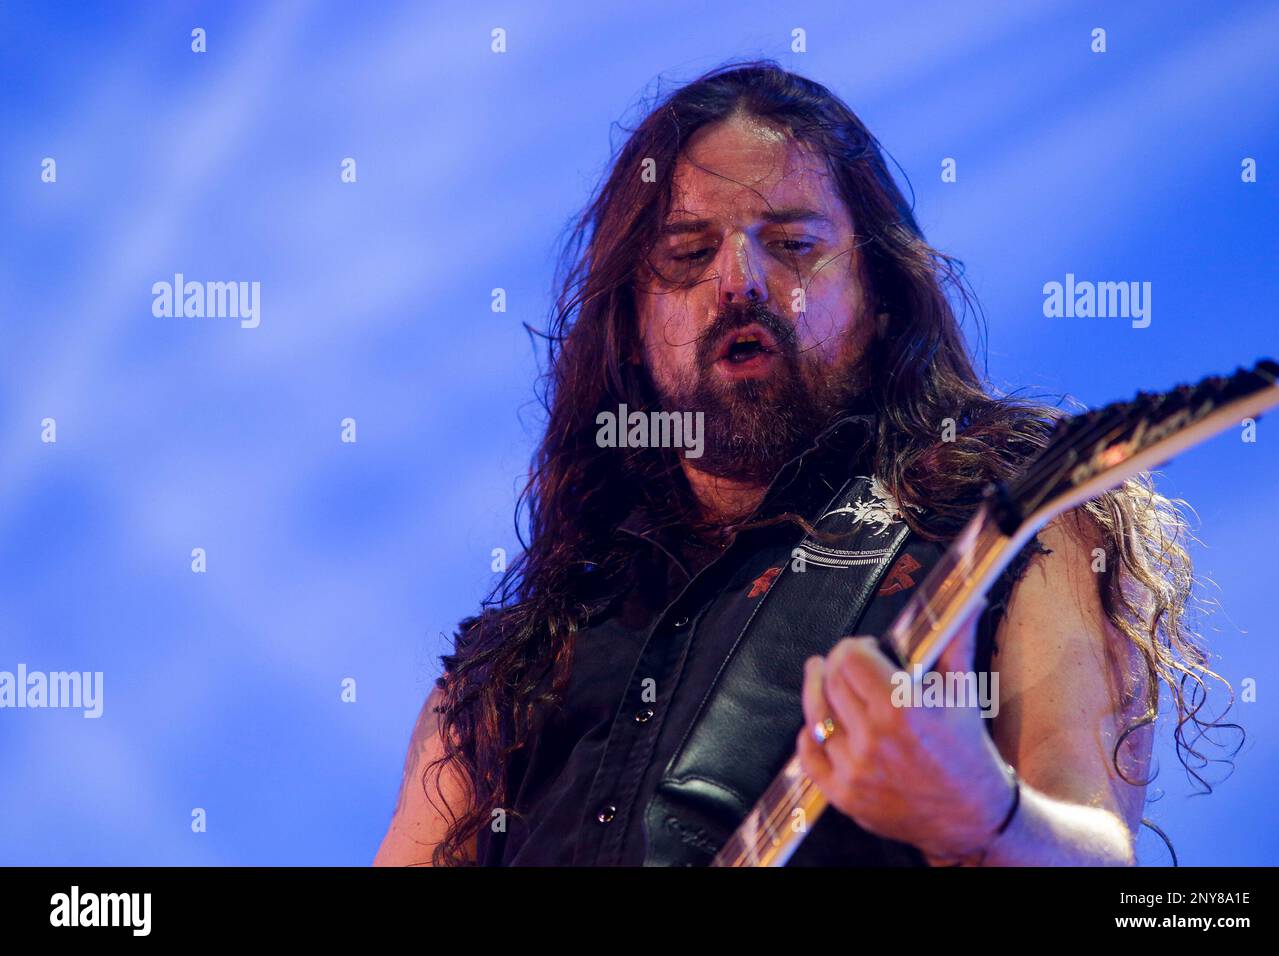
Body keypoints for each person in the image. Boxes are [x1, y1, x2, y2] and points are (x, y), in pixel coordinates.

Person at [374, 61, 1222, 867]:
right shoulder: (512, 667)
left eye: (793, 244)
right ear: (630, 326)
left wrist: (980, 814)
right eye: (686, 254)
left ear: (882, 297)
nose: (739, 280)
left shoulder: (1016, 519)